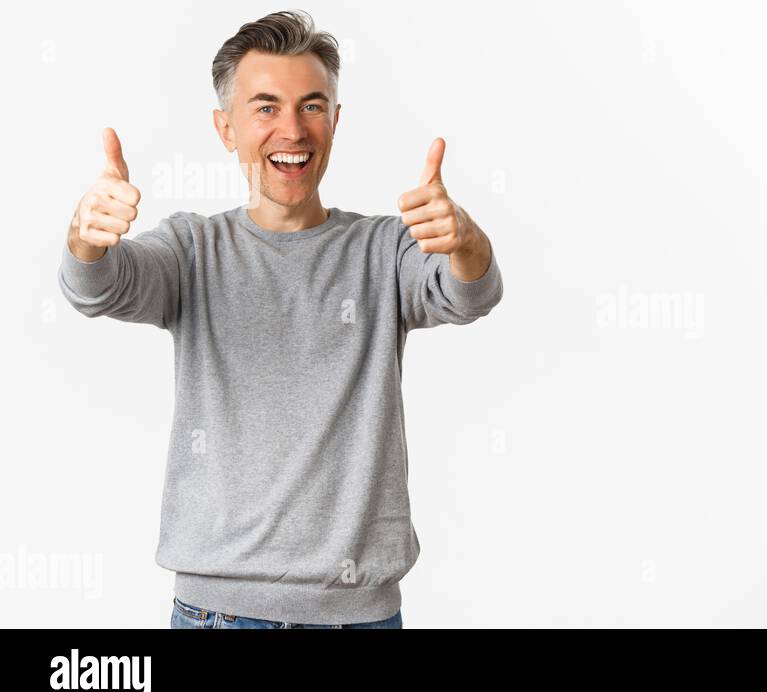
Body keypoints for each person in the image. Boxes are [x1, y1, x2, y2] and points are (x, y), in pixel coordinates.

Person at [58, 10, 503, 629]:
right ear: (226, 128)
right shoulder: (192, 250)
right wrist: (87, 239)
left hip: (362, 616)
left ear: (335, 121)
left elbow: (469, 293)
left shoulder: (386, 249)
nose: (291, 129)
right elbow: (102, 288)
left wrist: (465, 240)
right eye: (265, 107)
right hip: (219, 613)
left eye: (311, 106)